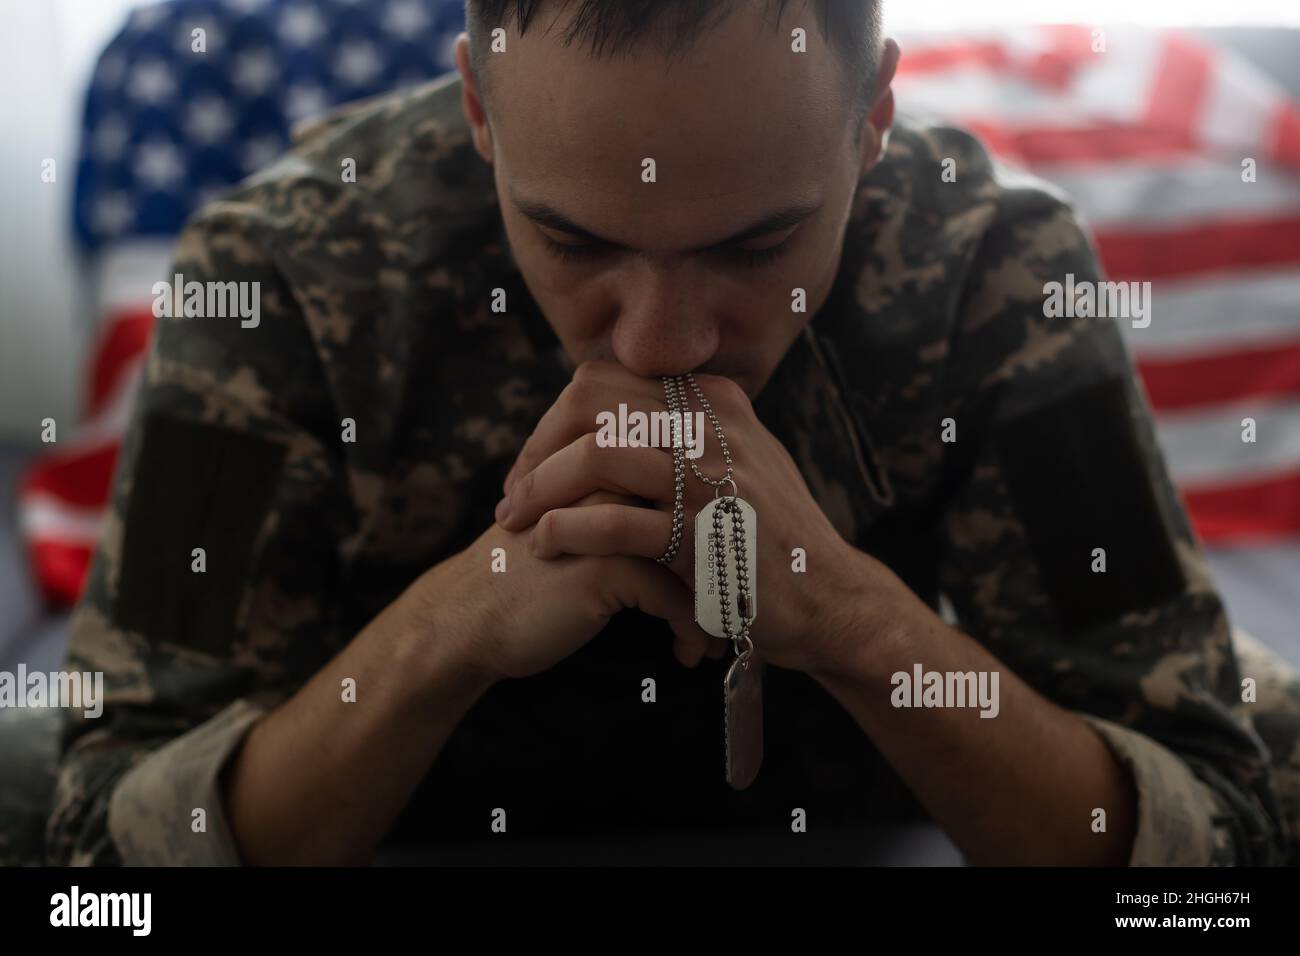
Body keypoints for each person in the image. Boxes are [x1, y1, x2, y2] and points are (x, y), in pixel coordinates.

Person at [44, 0, 1293, 866]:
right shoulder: (274, 274)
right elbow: (104, 853)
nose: (659, 344)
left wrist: (850, 618)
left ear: (870, 119)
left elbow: (1206, 840)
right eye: (577, 242)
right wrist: (452, 624)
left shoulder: (992, 272)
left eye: (755, 246)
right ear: (481, 109)